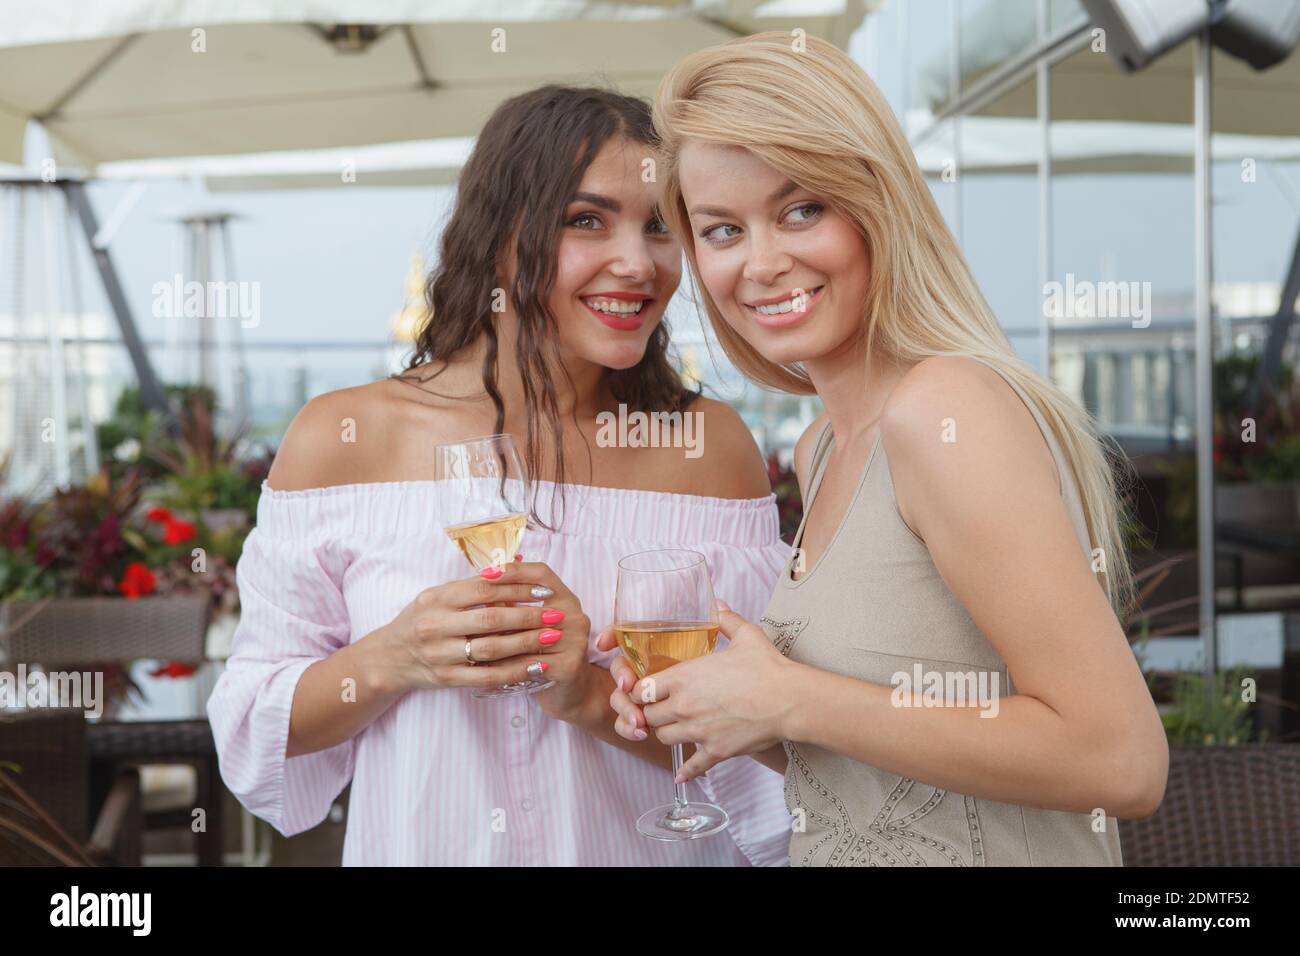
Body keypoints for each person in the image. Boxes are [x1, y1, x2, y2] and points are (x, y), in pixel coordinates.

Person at [599, 34, 1168, 866]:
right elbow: (882, 775)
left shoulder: (946, 412)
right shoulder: (824, 446)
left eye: (801, 210)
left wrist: (791, 699)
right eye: (722, 231)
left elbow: (1120, 759)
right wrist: (739, 710)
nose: (763, 264)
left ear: (876, 203)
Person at [207, 85, 791, 865]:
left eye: (659, 225)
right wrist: (393, 659)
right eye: (587, 220)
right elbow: (252, 736)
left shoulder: (706, 448)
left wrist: (587, 700)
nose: (638, 262)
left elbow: (765, 762)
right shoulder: (342, 439)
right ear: (499, 239)